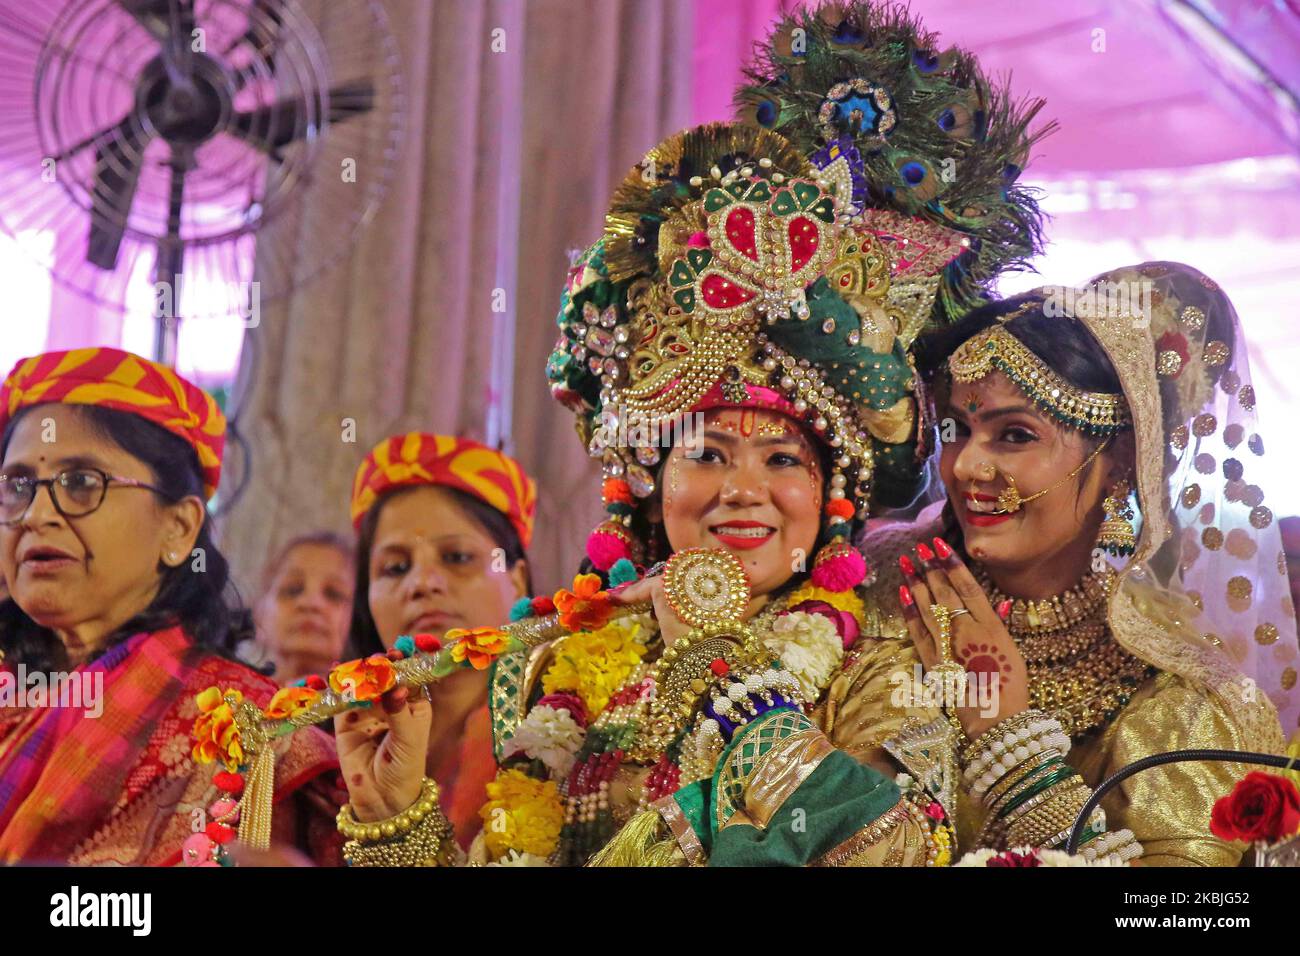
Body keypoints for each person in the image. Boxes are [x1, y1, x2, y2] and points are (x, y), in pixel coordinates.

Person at [326, 0, 1092, 861]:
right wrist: (396, 823)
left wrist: (720, 669)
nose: (741, 489)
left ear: (833, 497)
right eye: (706, 453)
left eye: (780, 459)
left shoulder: (878, 665)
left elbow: (887, 853)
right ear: (648, 482)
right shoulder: (543, 670)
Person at [865, 262, 1291, 864]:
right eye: (957, 429)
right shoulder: (883, 586)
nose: (963, 467)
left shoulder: (1182, 705)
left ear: (1120, 457)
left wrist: (1011, 745)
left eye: (1014, 435)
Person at [0, 347, 339, 865]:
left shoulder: (248, 728)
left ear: (178, 528)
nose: (36, 514)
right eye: (17, 486)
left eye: (82, 483)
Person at [346, 432, 535, 849]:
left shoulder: (572, 722)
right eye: (395, 567)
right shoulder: (338, 744)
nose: (422, 583)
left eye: (456, 557)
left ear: (517, 580)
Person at [247, 532, 355, 684]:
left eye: (334, 594)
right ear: (259, 615)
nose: (310, 603)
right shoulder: (227, 700)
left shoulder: (375, 705)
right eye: (292, 590)